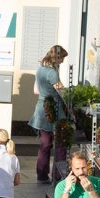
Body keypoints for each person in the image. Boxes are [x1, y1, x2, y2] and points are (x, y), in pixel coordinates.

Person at [32, 43, 71, 186]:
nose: (63, 62)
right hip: (54, 110)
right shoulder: (52, 72)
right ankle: (58, 177)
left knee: (45, 144)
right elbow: (61, 91)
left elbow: (36, 90)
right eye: (62, 59)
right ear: (58, 58)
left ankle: (42, 175)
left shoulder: (41, 69)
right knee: (61, 144)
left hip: (41, 109)